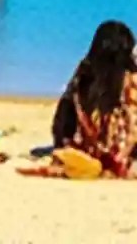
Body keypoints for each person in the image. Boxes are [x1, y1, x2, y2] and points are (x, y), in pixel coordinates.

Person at [35, 21, 137, 179]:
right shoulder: (131, 81)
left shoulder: (83, 74)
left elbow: (62, 117)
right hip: (121, 156)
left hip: (83, 150)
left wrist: (62, 143)